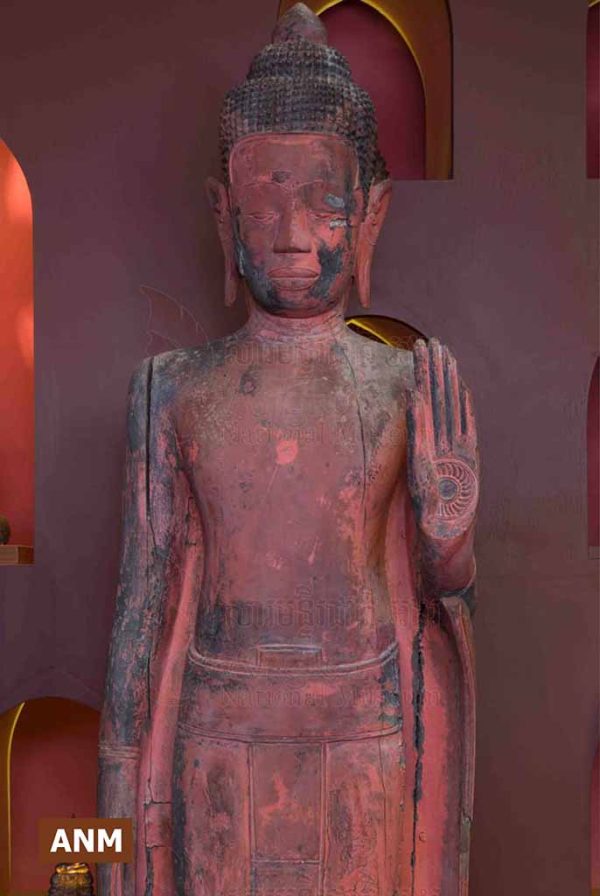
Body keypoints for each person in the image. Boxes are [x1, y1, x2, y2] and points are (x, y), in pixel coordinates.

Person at [98, 5, 479, 894]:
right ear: (223, 209)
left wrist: (449, 541)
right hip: (214, 740)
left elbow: (443, 597)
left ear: (371, 214)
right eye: (265, 199)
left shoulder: (404, 387)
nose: (294, 233)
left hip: (365, 741)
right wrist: (104, 853)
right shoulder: (170, 389)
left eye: (323, 200)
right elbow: (138, 621)